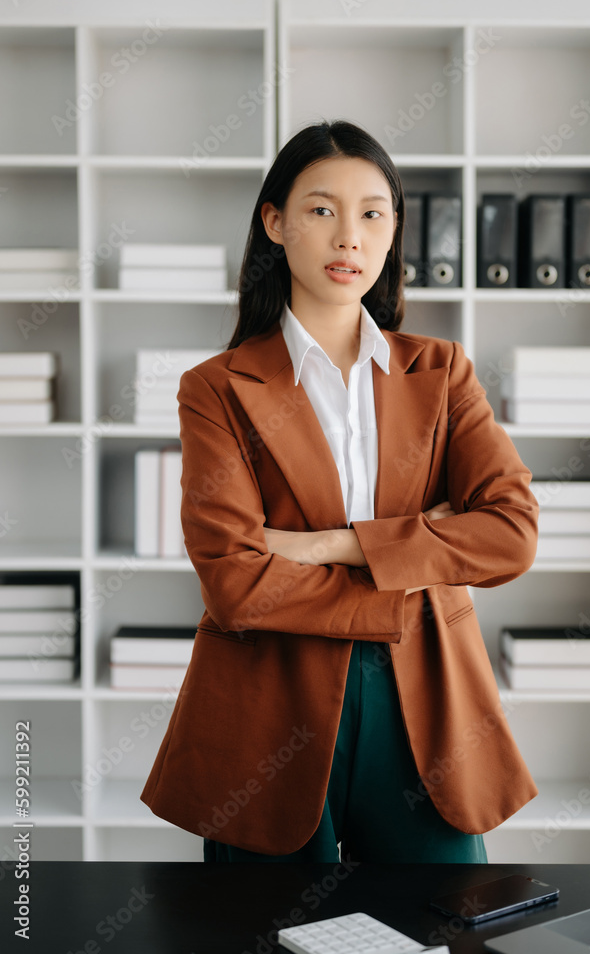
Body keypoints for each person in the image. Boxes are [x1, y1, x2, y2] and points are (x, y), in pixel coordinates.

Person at [140, 119, 539, 863]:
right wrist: (419, 555)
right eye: (322, 210)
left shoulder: (442, 371)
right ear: (275, 223)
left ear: (392, 231)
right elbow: (234, 582)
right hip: (267, 705)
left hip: (428, 704)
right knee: (267, 931)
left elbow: (511, 533)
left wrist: (329, 545)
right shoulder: (216, 390)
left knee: (444, 924)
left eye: (372, 213)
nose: (348, 236)